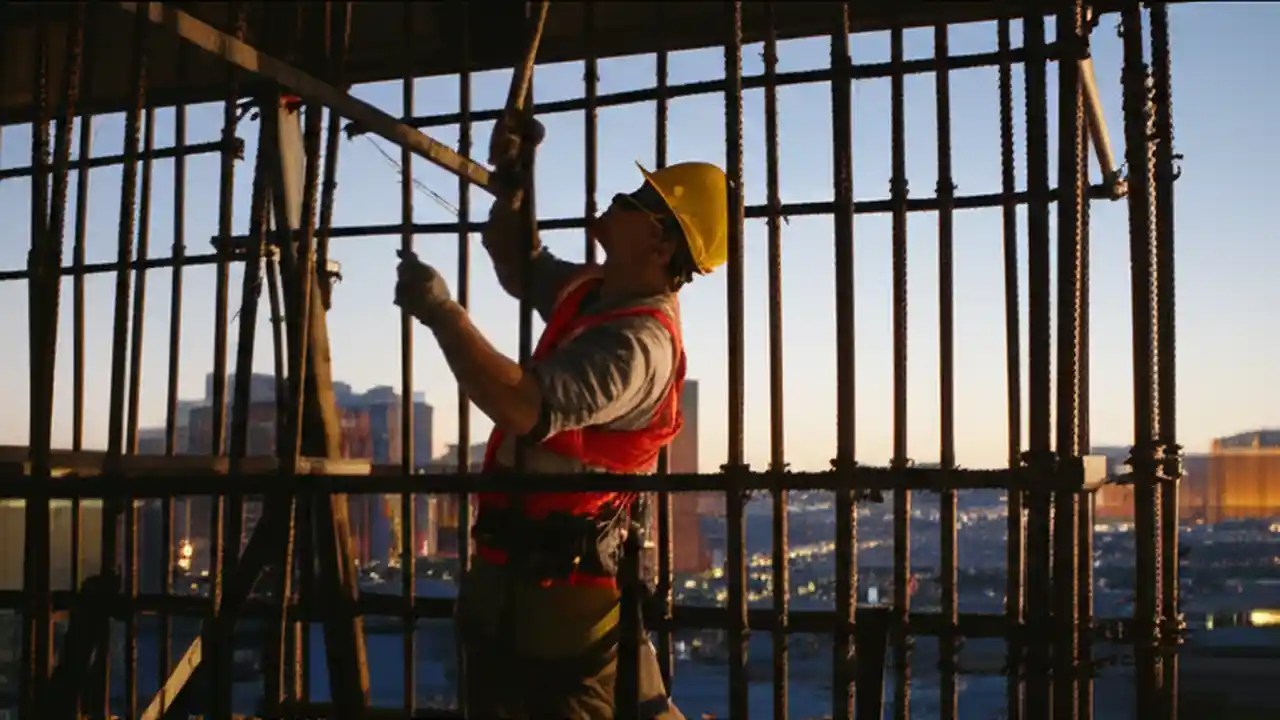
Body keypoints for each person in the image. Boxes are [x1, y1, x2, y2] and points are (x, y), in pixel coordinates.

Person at [394, 117, 729, 719]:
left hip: (567, 602)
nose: (619, 199)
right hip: (517, 583)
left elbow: (525, 406)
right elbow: (520, 263)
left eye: (637, 202)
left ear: (660, 245)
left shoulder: (639, 344)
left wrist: (444, 314)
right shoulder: (596, 290)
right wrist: (516, 182)